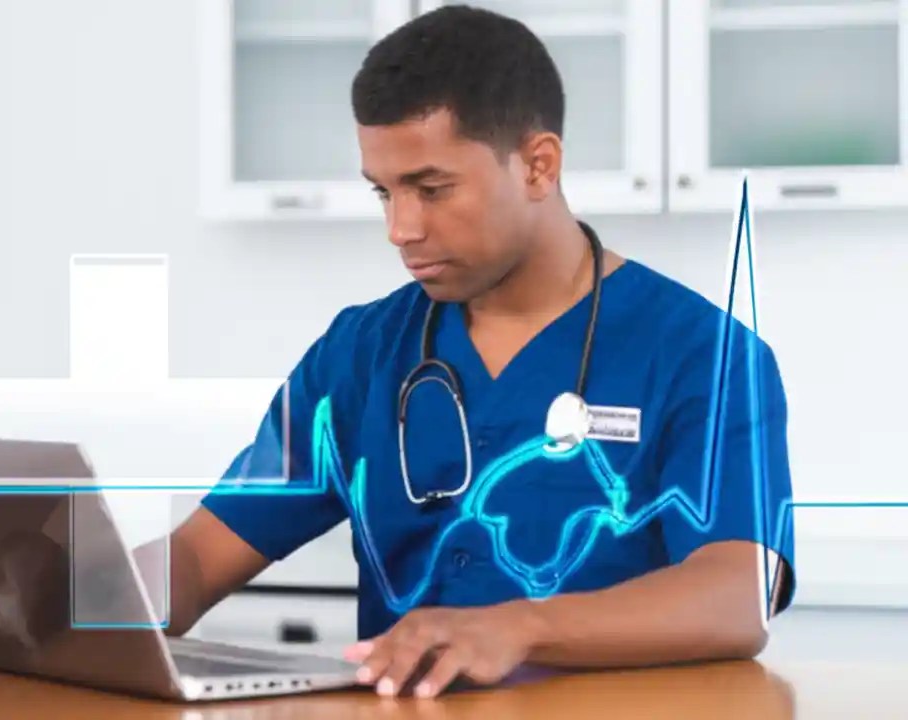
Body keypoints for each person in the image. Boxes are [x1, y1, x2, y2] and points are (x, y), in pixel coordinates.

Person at [163, 4, 796, 700]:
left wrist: (520, 626)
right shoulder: (359, 354)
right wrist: (68, 598)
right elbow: (197, 556)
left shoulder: (703, 357)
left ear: (537, 166)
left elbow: (741, 593)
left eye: (432, 189)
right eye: (385, 192)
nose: (400, 229)